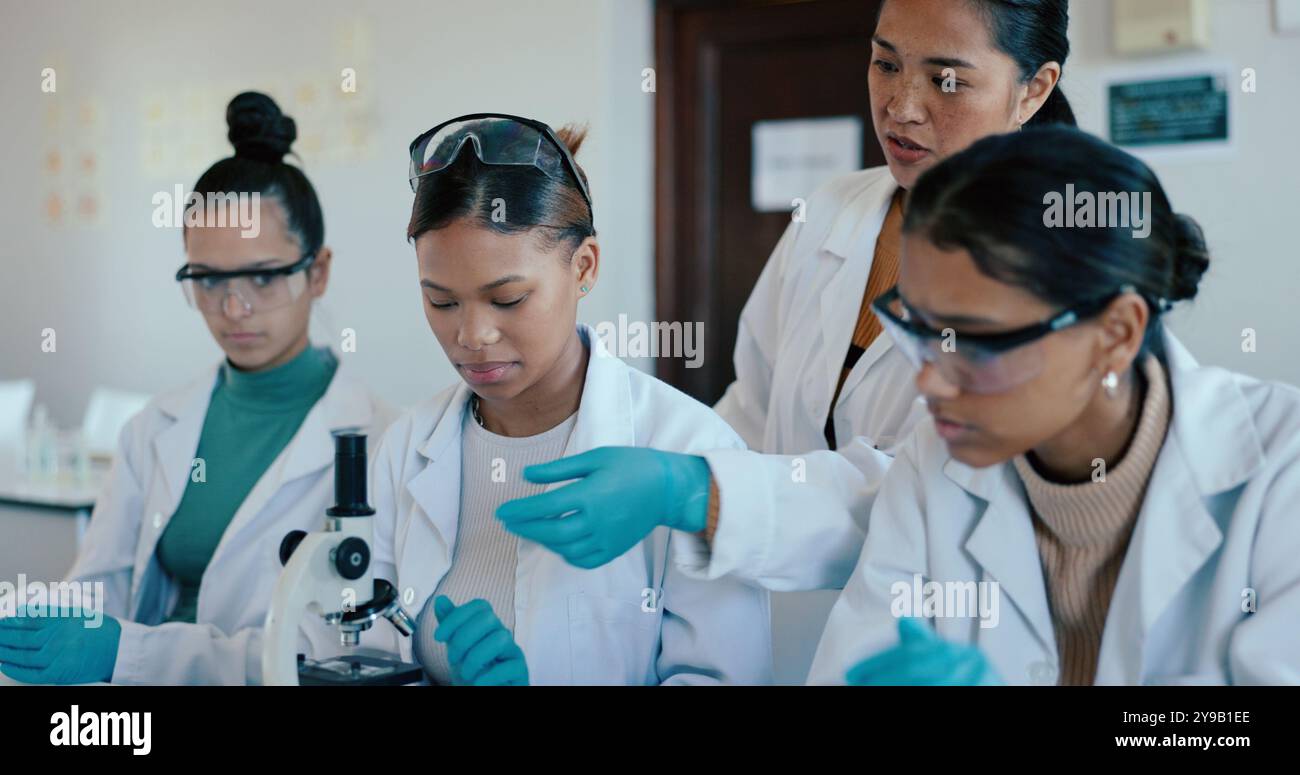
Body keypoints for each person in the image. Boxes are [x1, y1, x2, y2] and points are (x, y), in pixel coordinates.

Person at [501, 0, 1076, 603]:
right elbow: (752, 409)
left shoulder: (1058, 266)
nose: (901, 107)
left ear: (1033, 89)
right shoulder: (831, 211)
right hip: (785, 629)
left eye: (946, 80)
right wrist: (652, 472)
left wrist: (695, 492)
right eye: (885, 64)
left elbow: (931, 494)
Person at [808, 127, 1300, 686]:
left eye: (973, 339)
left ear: (1117, 332)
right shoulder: (933, 464)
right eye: (920, 329)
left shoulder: (1283, 469)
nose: (930, 381)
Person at [0, 92, 396, 685]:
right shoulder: (154, 428)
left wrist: (129, 655)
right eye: (208, 280)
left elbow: (332, 653)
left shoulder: (382, 442)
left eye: (263, 276)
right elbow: (94, 597)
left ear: (318, 272)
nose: (234, 307)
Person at [368, 113, 772, 685]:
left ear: (584, 267)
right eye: (442, 302)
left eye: (507, 299)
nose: (472, 336)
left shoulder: (687, 448)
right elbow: (362, 656)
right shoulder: (406, 448)